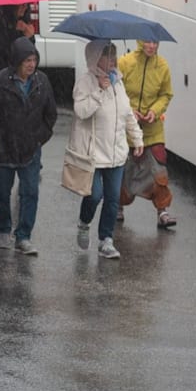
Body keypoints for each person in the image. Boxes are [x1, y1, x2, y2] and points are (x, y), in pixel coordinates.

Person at [0, 37, 57, 255]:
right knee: (2, 192)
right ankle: (4, 229)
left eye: (34, 60)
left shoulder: (42, 82)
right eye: (26, 60)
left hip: (30, 150)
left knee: (30, 193)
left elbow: (50, 115)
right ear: (16, 61)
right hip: (2, 150)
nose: (31, 65)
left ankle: (24, 236)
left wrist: (38, 138)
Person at [69, 40, 142, 260]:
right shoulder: (85, 82)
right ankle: (84, 223)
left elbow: (127, 113)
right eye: (107, 55)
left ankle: (106, 240)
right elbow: (81, 111)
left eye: (114, 55)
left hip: (116, 153)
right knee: (94, 196)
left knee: (112, 198)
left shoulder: (118, 82)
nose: (113, 60)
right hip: (93, 153)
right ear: (95, 58)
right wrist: (99, 90)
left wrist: (137, 139)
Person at [118, 39, 178, 230]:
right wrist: (131, 111)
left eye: (155, 43)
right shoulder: (125, 63)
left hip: (153, 130)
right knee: (124, 169)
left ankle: (163, 211)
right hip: (128, 129)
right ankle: (118, 205)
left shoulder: (162, 66)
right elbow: (117, 92)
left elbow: (166, 94)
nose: (152, 46)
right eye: (148, 42)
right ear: (140, 42)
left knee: (159, 170)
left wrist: (155, 111)